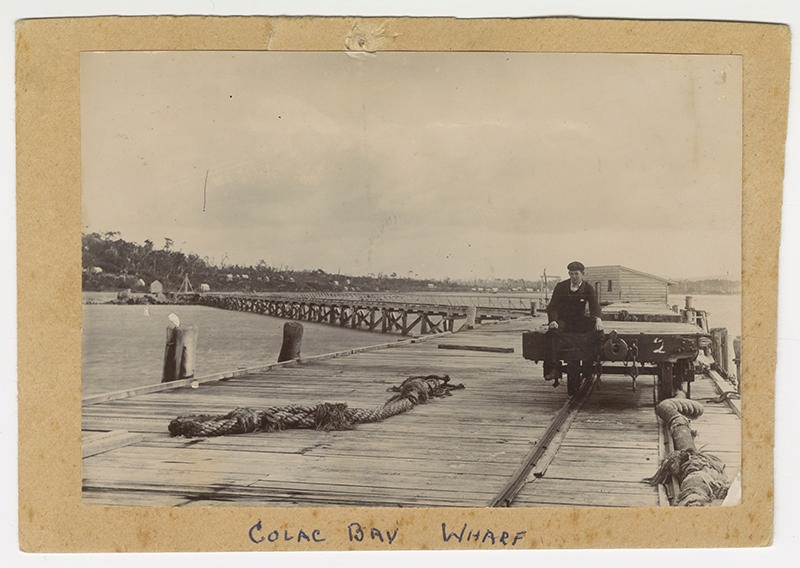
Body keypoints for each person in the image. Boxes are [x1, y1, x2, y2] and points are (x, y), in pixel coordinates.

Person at [544, 261, 603, 392]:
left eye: (576, 274)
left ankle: (589, 365)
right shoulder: (561, 287)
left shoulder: (588, 288)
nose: (574, 277)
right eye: (571, 274)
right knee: (551, 333)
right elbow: (552, 306)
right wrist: (553, 321)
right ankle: (553, 367)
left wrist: (598, 319)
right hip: (564, 321)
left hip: (580, 321)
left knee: (598, 331)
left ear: (582, 274)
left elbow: (594, 306)